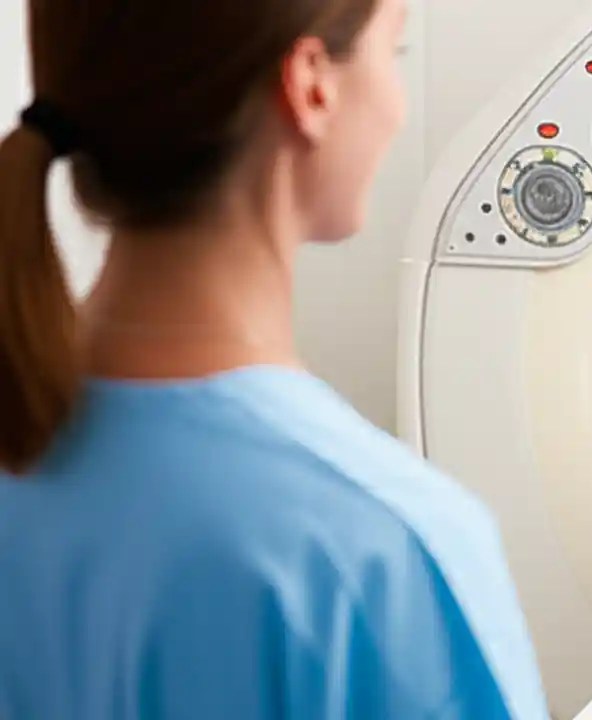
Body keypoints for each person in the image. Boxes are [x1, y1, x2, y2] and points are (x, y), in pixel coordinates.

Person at [0, 1, 551, 718]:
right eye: (394, 55)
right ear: (311, 85)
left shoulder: (27, 447)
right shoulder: (379, 547)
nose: (394, 104)